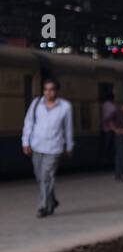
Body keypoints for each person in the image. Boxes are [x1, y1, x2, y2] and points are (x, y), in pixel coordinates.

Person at [22, 77, 74, 218]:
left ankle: (43, 207)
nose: (48, 92)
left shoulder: (65, 107)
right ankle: (52, 201)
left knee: (46, 177)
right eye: (46, 89)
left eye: (51, 90)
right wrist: (25, 141)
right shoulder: (36, 104)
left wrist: (69, 145)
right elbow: (29, 122)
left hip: (54, 147)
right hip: (37, 146)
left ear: (56, 91)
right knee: (40, 177)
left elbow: (68, 128)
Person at [100, 92, 117, 165]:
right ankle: (107, 157)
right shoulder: (112, 106)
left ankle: (105, 156)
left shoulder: (104, 105)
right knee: (110, 143)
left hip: (104, 127)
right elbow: (111, 116)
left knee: (106, 143)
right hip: (111, 127)